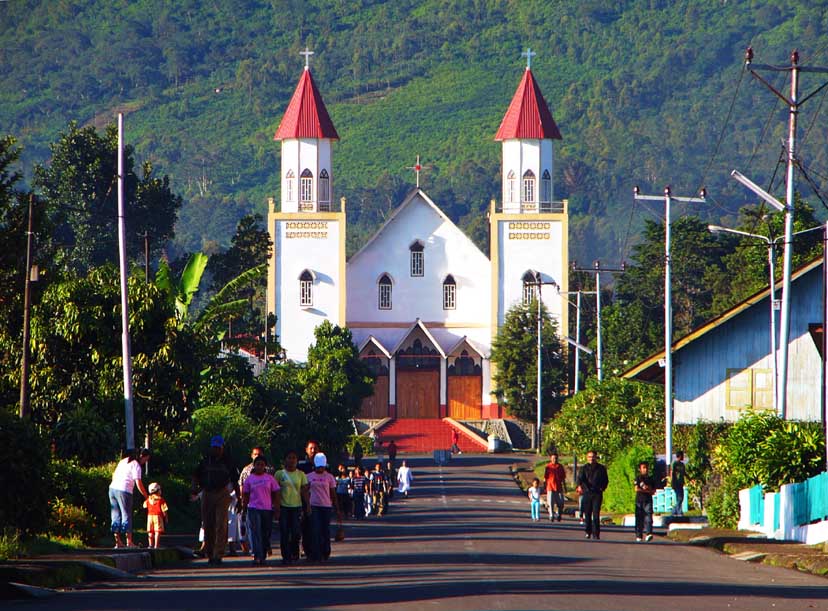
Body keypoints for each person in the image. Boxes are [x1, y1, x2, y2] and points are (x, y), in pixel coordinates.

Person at [192, 435, 240, 566]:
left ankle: (218, 554)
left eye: (219, 447)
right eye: (214, 447)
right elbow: (195, 475)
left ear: (222, 447)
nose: (216, 450)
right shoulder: (205, 461)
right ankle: (209, 552)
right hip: (207, 493)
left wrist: (239, 499)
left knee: (221, 524)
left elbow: (235, 481)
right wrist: (194, 489)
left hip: (222, 493)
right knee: (208, 524)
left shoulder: (228, 461)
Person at [241, 455, 281, 566]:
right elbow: (245, 494)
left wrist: (276, 507)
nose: (260, 467)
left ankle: (262, 554)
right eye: (257, 464)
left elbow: (276, 492)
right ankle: (256, 554)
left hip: (266, 509)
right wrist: (244, 508)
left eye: (262, 465)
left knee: (265, 532)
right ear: (254, 465)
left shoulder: (269, 478)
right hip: (253, 508)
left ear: (265, 466)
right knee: (254, 532)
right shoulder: (250, 479)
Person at [109, 448, 150, 548]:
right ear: (142, 456)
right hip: (125, 490)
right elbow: (138, 483)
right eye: (146, 459)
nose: (146, 461)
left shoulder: (123, 461)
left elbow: (114, 475)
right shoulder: (136, 465)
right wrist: (146, 496)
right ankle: (129, 542)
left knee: (115, 515)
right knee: (126, 515)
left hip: (112, 489)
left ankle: (118, 541)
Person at [275, 449, 309, 565]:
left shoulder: (301, 474)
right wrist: (276, 508)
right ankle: (286, 555)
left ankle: (294, 552)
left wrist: (308, 505)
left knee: (295, 532)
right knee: (284, 532)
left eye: (294, 458)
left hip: (296, 507)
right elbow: (276, 492)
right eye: (289, 457)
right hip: (283, 507)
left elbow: (304, 491)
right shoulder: (279, 474)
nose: (291, 460)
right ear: (285, 460)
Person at [306, 453, 341, 562]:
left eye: (322, 466)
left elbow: (333, 494)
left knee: (325, 530)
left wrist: (337, 509)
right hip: (313, 506)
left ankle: (325, 551)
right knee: (315, 530)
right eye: (319, 466)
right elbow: (305, 492)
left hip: (326, 506)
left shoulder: (329, 477)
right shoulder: (309, 477)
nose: (320, 468)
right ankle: (315, 553)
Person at [575, 450, 608, 540]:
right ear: (587, 458)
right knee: (588, 514)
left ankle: (596, 534)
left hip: (597, 493)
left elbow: (605, 480)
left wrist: (602, 488)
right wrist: (579, 486)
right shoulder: (583, 468)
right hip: (587, 493)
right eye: (589, 457)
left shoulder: (601, 468)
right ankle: (587, 531)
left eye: (593, 457)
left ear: (596, 458)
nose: (591, 459)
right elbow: (579, 479)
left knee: (596, 514)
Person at [298, 440, 321, 557]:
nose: (313, 450)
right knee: (305, 525)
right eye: (311, 448)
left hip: (319, 500)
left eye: (315, 448)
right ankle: (305, 547)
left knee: (318, 526)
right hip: (303, 499)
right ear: (306, 450)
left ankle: (316, 548)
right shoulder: (301, 466)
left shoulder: (323, 466)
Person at [634, 461, 656, 542]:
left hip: (648, 500)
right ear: (640, 469)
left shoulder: (651, 479)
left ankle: (649, 533)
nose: (645, 469)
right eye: (643, 468)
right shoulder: (638, 478)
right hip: (639, 501)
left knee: (649, 518)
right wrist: (647, 490)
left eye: (646, 468)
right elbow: (636, 489)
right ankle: (639, 535)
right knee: (639, 518)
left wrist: (647, 490)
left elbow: (653, 491)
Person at [143, 482, 168, 549]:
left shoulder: (148, 499)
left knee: (150, 531)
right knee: (157, 531)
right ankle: (156, 545)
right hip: (158, 516)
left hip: (149, 516)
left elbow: (144, 506)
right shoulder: (161, 500)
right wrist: (166, 518)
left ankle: (150, 545)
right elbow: (164, 510)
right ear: (157, 491)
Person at [544, 452, 567, 522]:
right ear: (551, 459)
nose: (554, 460)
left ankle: (559, 514)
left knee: (561, 503)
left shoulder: (560, 467)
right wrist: (544, 487)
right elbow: (545, 478)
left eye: (556, 458)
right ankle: (551, 515)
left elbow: (563, 478)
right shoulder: (548, 467)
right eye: (553, 458)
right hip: (550, 487)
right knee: (550, 503)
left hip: (559, 487)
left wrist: (565, 487)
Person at [670, 450, 687, 516]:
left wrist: (690, 479)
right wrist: (672, 482)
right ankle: (679, 512)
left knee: (681, 498)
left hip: (681, 483)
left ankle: (674, 511)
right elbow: (672, 473)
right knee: (679, 498)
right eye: (682, 455)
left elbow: (684, 473)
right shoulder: (675, 464)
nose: (683, 457)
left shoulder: (682, 464)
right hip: (676, 483)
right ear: (679, 456)